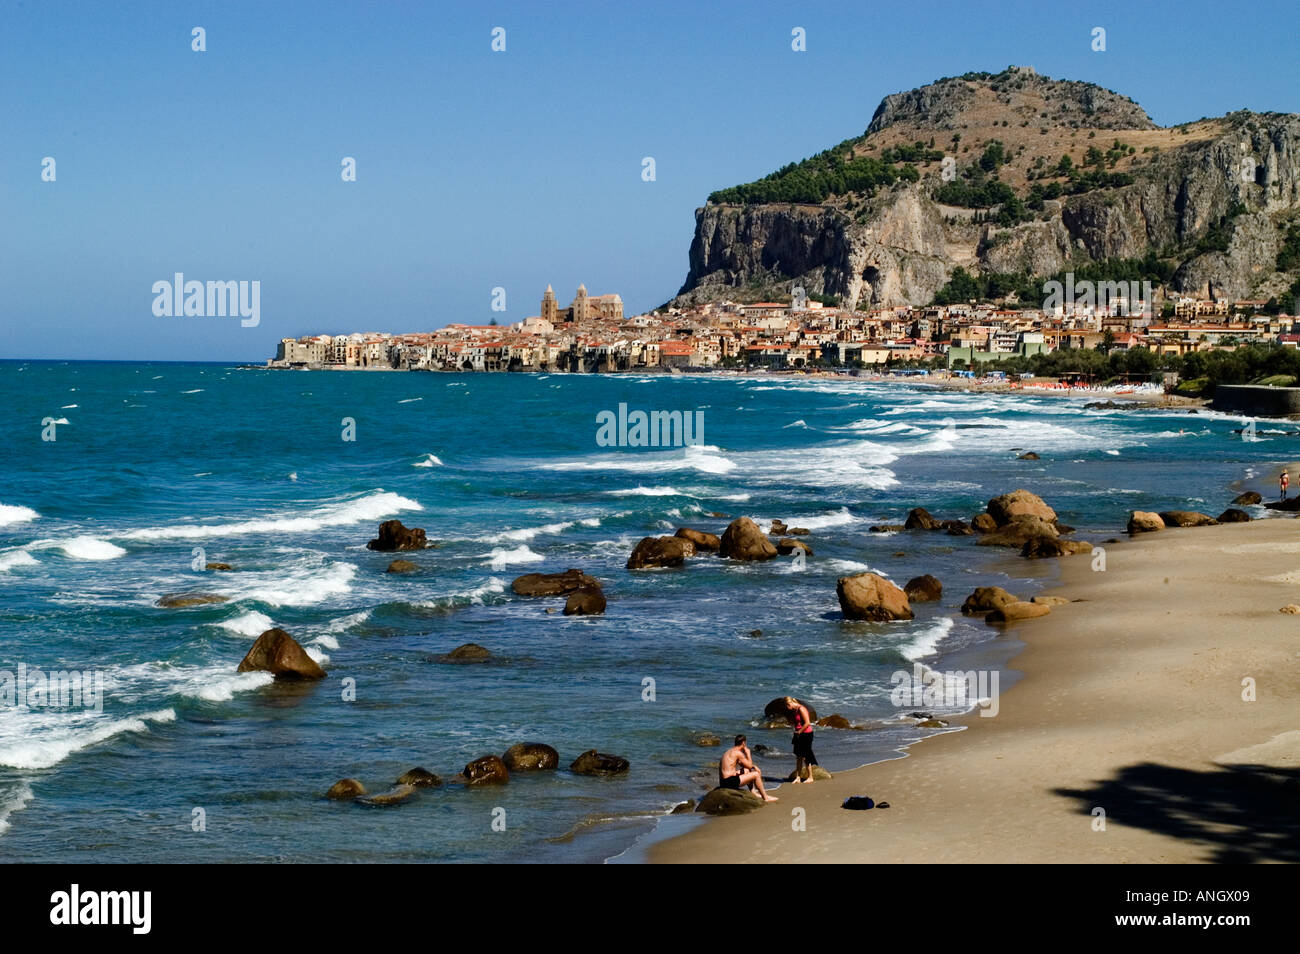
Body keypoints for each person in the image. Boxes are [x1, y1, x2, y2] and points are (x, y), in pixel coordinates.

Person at [718, 734, 777, 802]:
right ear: (743, 743)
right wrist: (748, 753)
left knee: (746, 770)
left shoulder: (729, 751)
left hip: (723, 782)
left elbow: (746, 766)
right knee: (756, 774)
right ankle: (765, 798)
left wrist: (754, 766)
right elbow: (749, 765)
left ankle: (753, 792)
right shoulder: (738, 753)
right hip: (728, 782)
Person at [785, 696, 819, 783]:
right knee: (798, 756)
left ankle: (810, 777)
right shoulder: (795, 710)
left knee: (806, 756)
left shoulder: (801, 709)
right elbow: (797, 722)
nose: (787, 708)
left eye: (787, 706)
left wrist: (799, 731)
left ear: (789, 703)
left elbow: (807, 723)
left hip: (806, 734)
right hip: (799, 734)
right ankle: (798, 777)